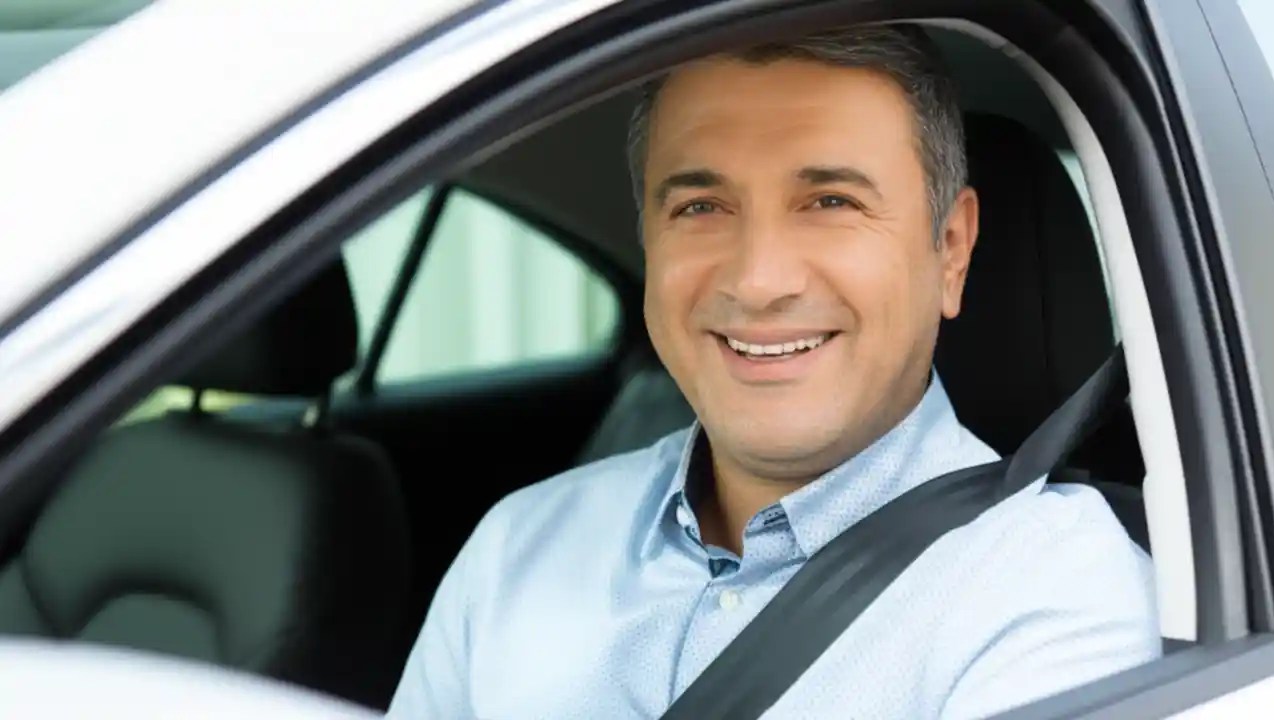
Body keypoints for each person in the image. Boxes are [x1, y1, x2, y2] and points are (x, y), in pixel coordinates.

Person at [385, 23, 1161, 719]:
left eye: (829, 201)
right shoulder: (518, 547)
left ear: (950, 251)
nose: (758, 281)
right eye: (700, 208)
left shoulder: (1053, 589)